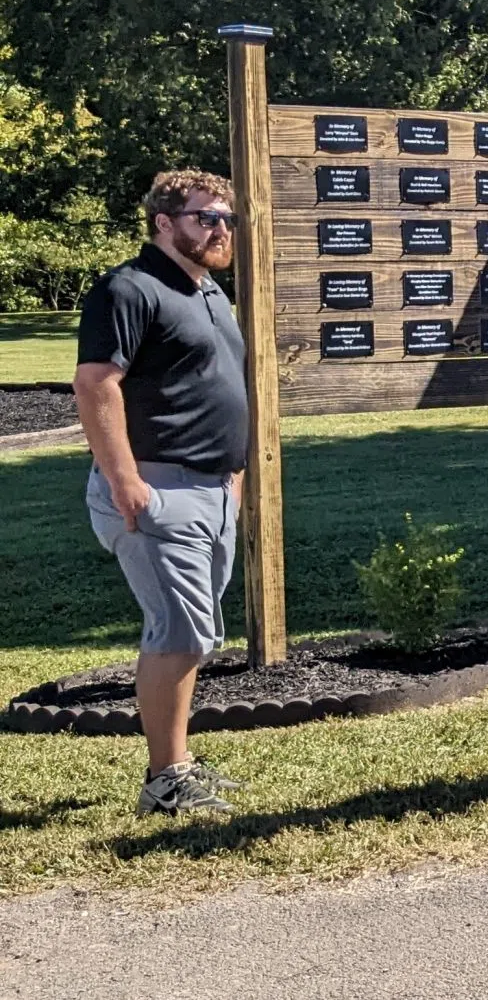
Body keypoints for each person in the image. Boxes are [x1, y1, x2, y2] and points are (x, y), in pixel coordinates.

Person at [71, 169, 249, 816]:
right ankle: (165, 780)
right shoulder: (129, 288)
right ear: (164, 223)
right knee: (178, 632)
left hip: (212, 490)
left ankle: (177, 763)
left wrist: (233, 480)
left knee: (191, 633)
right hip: (156, 486)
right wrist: (126, 482)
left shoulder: (210, 292)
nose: (220, 229)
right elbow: (96, 384)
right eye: (206, 217)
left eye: (227, 218)